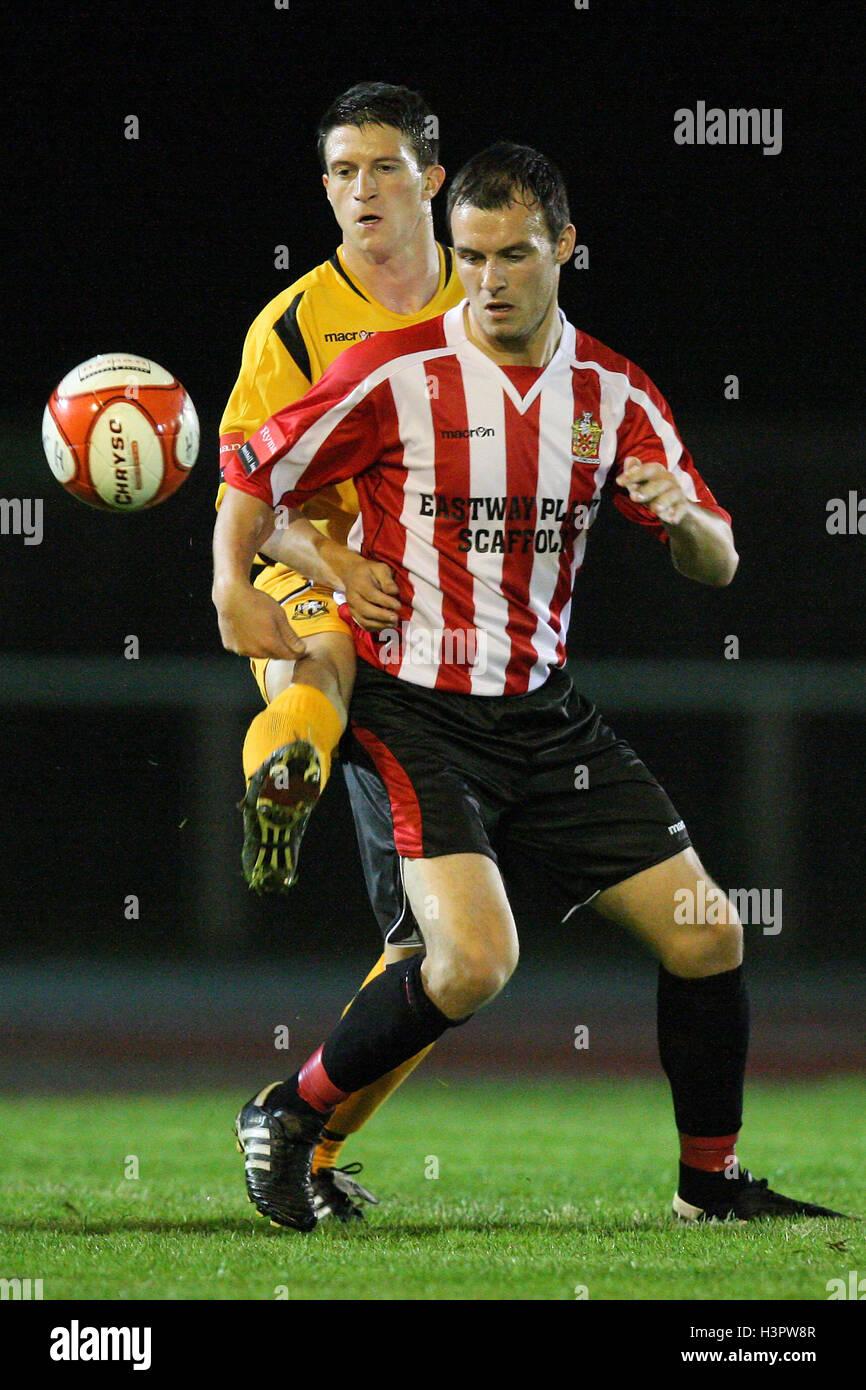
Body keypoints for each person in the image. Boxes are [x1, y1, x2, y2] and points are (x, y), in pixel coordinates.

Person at [214, 142, 846, 1232]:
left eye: (513, 254)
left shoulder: (612, 392)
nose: (489, 279)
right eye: (469, 256)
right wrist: (248, 583)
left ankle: (709, 1186)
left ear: (563, 245)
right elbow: (250, 475)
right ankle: (286, 1110)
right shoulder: (391, 373)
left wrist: (684, 517)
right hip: (414, 707)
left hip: (546, 714)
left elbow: (719, 561)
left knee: (707, 933)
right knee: (472, 960)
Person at [216, 82, 464, 1220]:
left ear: (432, 178)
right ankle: (290, 765)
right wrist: (282, 569)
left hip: (442, 633)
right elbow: (247, 493)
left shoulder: (489, 297)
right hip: (313, 578)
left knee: (438, 949)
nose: (358, 190)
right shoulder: (293, 323)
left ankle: (305, 1141)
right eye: (338, 172)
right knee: (315, 664)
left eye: (380, 168)